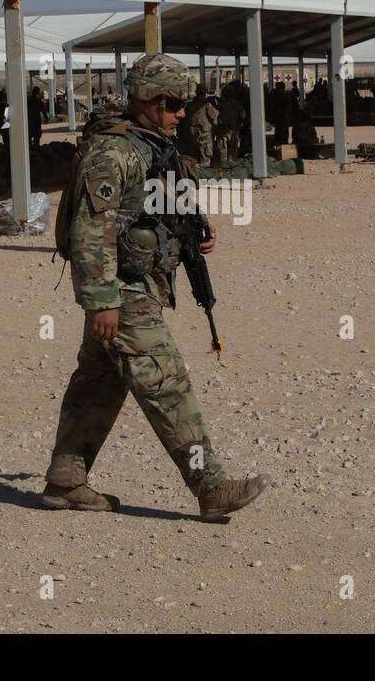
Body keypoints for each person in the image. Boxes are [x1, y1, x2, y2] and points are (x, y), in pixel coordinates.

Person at [43, 53, 268, 521]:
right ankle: (211, 486)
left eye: (183, 104)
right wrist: (101, 301)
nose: (181, 113)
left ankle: (65, 480)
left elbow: (162, 202)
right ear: (146, 99)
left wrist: (196, 230)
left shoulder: (152, 145)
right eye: (172, 104)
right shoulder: (112, 154)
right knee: (166, 382)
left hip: (141, 283)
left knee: (99, 384)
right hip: (122, 292)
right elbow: (92, 231)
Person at [179, 83, 219, 166]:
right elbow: (214, 116)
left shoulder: (189, 104)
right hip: (205, 134)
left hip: (192, 133)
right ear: (204, 93)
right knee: (205, 158)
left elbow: (184, 120)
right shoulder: (206, 104)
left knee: (194, 157)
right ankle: (204, 176)